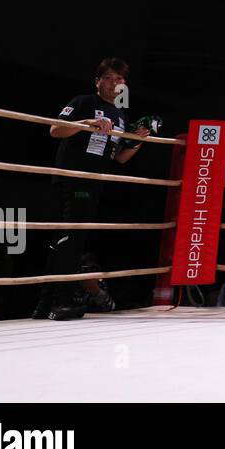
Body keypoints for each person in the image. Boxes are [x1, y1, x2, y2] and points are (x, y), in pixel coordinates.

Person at [38, 58, 151, 321]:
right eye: (109, 78)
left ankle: (46, 305)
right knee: (71, 239)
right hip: (73, 178)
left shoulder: (121, 116)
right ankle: (61, 303)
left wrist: (139, 139)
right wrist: (87, 122)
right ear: (98, 81)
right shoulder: (83, 102)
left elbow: (120, 158)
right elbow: (55, 130)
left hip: (95, 181)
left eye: (119, 80)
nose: (114, 84)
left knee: (65, 240)